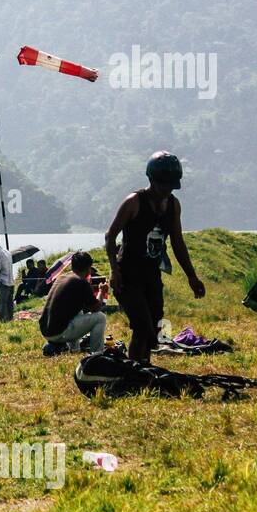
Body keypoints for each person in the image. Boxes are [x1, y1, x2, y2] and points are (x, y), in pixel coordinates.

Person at [104, 151, 206, 363]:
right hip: (128, 276)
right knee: (142, 326)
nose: (165, 191)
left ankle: (145, 368)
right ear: (151, 180)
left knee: (154, 326)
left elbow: (178, 242)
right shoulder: (134, 202)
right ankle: (134, 371)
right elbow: (110, 236)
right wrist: (114, 271)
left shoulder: (173, 205)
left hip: (151, 275)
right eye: (162, 185)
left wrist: (192, 277)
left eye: (170, 186)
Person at [38, 251, 107, 356]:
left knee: (77, 312)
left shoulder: (62, 278)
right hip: (58, 333)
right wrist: (102, 291)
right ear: (89, 268)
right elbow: (96, 308)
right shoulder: (82, 282)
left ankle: (74, 350)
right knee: (100, 317)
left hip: (46, 330)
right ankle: (97, 354)